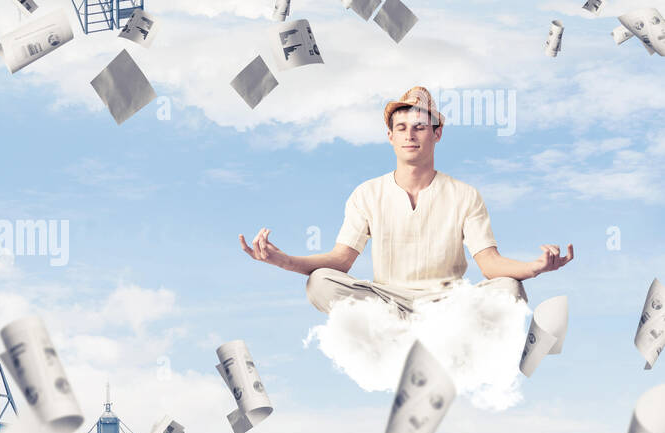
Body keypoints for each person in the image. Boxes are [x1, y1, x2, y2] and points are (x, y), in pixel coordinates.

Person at [239, 86, 573, 317]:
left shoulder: (464, 195)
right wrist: (284, 261)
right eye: (401, 128)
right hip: (388, 304)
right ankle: (411, 334)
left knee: (509, 290)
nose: (410, 135)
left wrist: (535, 267)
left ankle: (441, 333)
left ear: (437, 133)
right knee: (320, 283)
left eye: (420, 127)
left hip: (449, 304)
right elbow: (340, 262)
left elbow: (489, 265)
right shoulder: (367, 194)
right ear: (391, 137)